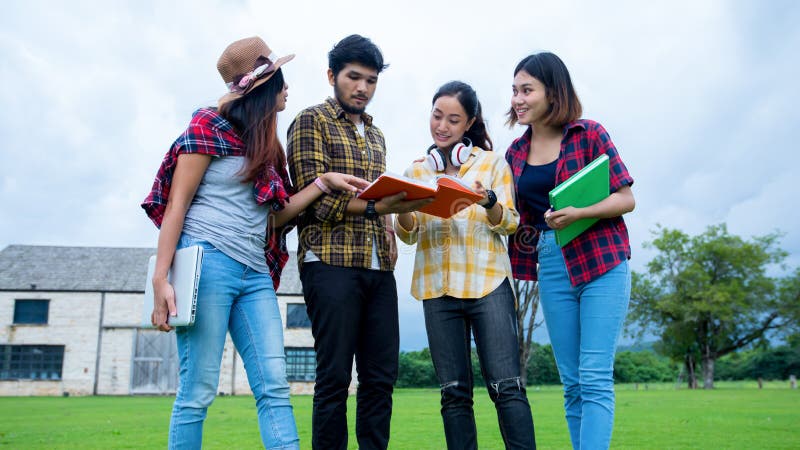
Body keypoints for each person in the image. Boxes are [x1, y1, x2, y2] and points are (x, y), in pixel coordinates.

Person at [141, 36, 369, 450]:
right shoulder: (206, 126)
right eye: (281, 82)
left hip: (254, 274)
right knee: (198, 390)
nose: (287, 90)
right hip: (208, 261)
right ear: (262, 88)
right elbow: (176, 207)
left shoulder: (265, 146)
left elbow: (274, 218)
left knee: (274, 386)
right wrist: (161, 279)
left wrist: (322, 182)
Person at [286, 34, 431, 450]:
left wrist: (394, 209)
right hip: (329, 262)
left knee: (381, 377)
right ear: (332, 76)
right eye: (354, 77)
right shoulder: (310, 120)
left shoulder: (377, 134)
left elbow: (377, 200)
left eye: (370, 80)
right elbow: (311, 201)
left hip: (379, 266)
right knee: (333, 377)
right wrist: (375, 208)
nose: (362, 88)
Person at [395, 81, 536, 450]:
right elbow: (407, 235)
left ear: (469, 123)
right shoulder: (415, 172)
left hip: (487, 286)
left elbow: (510, 223)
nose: (442, 126)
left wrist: (486, 200)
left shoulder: (491, 164)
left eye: (453, 120)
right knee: (453, 393)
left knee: (507, 387)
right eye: (437, 116)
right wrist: (406, 210)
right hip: (436, 292)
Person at [505, 52, 635, 450]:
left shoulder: (589, 133)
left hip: (601, 259)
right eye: (514, 91)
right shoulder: (514, 154)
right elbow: (519, 221)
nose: (517, 99)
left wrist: (581, 212)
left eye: (527, 90)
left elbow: (626, 198)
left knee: (594, 376)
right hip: (552, 262)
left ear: (553, 92)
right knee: (573, 382)